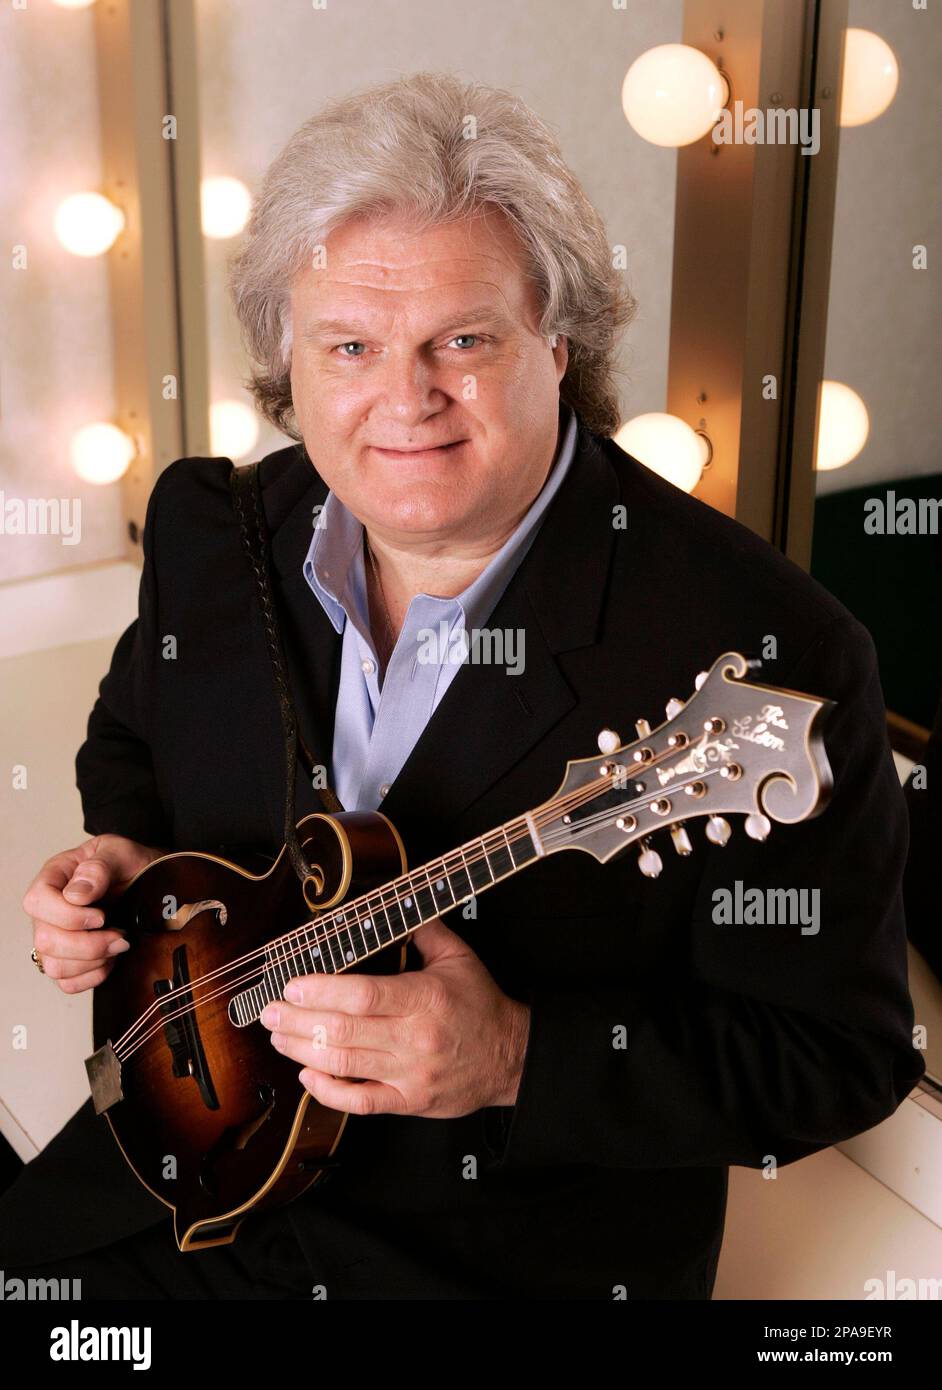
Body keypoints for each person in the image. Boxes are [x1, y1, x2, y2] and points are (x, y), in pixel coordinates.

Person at [1, 71, 924, 1300]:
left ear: (561, 339)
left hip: (493, 1263)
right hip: (170, 1168)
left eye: (465, 339)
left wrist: (516, 1061)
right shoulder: (216, 531)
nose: (405, 398)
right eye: (350, 346)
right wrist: (118, 856)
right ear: (291, 360)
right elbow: (131, 734)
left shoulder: (766, 653)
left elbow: (840, 1056)